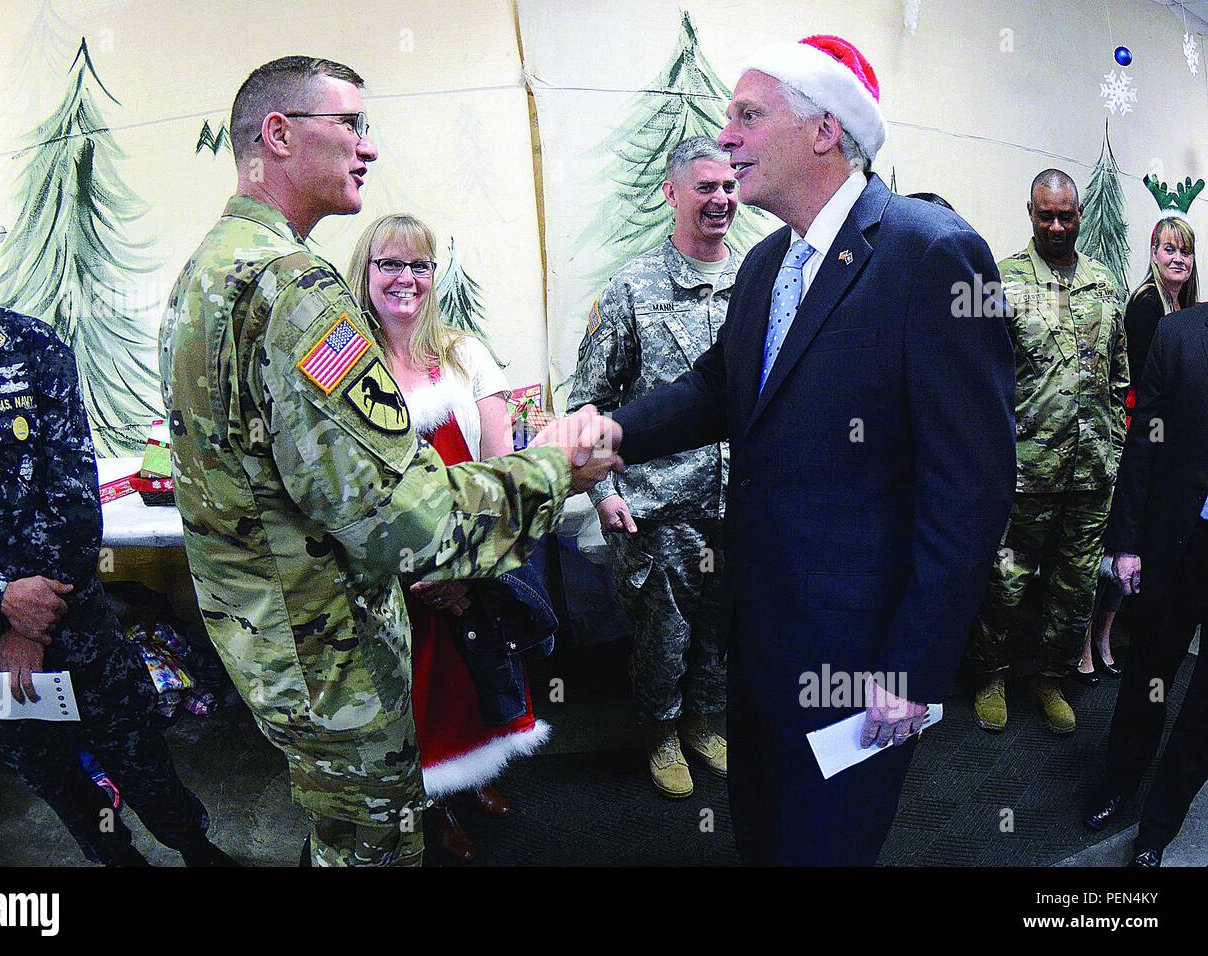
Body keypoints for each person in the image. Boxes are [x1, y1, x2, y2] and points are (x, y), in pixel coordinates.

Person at [160, 57, 618, 867]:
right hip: (328, 655)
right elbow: (405, 519)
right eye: (351, 126)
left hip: (265, 642)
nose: (367, 148)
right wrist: (555, 469)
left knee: (333, 824)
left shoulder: (206, 273)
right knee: (374, 844)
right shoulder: (296, 293)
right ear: (279, 132)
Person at [580, 34, 1017, 865]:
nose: (728, 136)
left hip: (861, 658)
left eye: (748, 116)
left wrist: (912, 670)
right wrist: (615, 432)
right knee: (764, 833)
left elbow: (974, 490)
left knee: (826, 846)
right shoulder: (768, 264)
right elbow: (718, 389)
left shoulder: (930, 253)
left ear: (824, 131)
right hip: (761, 637)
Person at [0, 179, 230, 867]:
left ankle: (196, 852)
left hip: (75, 625)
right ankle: (118, 859)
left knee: (140, 758)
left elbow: (75, 499)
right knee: (52, 775)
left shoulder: (35, 349)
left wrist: (33, 617)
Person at [345, 212, 548, 863]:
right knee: (416, 697)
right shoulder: (345, 362)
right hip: (389, 569)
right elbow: (343, 483)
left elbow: (496, 468)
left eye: (419, 265)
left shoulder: (467, 353)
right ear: (366, 272)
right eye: (389, 264)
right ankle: (436, 804)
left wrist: (466, 570)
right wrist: (408, 574)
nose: (406, 278)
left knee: (479, 670)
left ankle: (478, 772)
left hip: (465, 556)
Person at [566, 136, 736, 800]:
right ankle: (660, 733)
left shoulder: (754, 281)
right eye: (704, 188)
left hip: (734, 506)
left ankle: (702, 721)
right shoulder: (631, 287)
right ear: (672, 193)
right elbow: (586, 401)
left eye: (728, 186)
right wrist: (603, 490)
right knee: (662, 638)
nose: (720, 199)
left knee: (720, 631)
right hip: (655, 508)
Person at [965, 170, 1128, 734]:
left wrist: (1116, 452)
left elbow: (1118, 374)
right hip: (1025, 476)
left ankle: (1050, 679)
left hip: (1090, 479)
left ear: (1079, 214)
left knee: (1075, 589)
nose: (1057, 226)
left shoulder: (1106, 284)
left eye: (1066, 215)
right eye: (1045, 215)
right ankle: (988, 674)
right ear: (1029, 213)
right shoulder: (1002, 283)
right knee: (1006, 584)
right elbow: (979, 385)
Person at [1084, 298, 1208, 866]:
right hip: (1176, 546)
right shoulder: (1178, 335)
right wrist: (1126, 541)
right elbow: (1143, 444)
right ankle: (1119, 781)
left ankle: (1159, 826)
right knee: (1149, 672)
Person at [1077, 217, 1197, 681]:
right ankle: (1086, 644)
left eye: (1185, 251)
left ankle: (1105, 636)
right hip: (1135, 443)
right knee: (1112, 546)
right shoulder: (1147, 307)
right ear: (1153, 253)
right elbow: (1148, 391)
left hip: (1161, 448)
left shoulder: (1182, 308)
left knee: (1134, 550)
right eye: (1169, 249)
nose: (1178, 259)